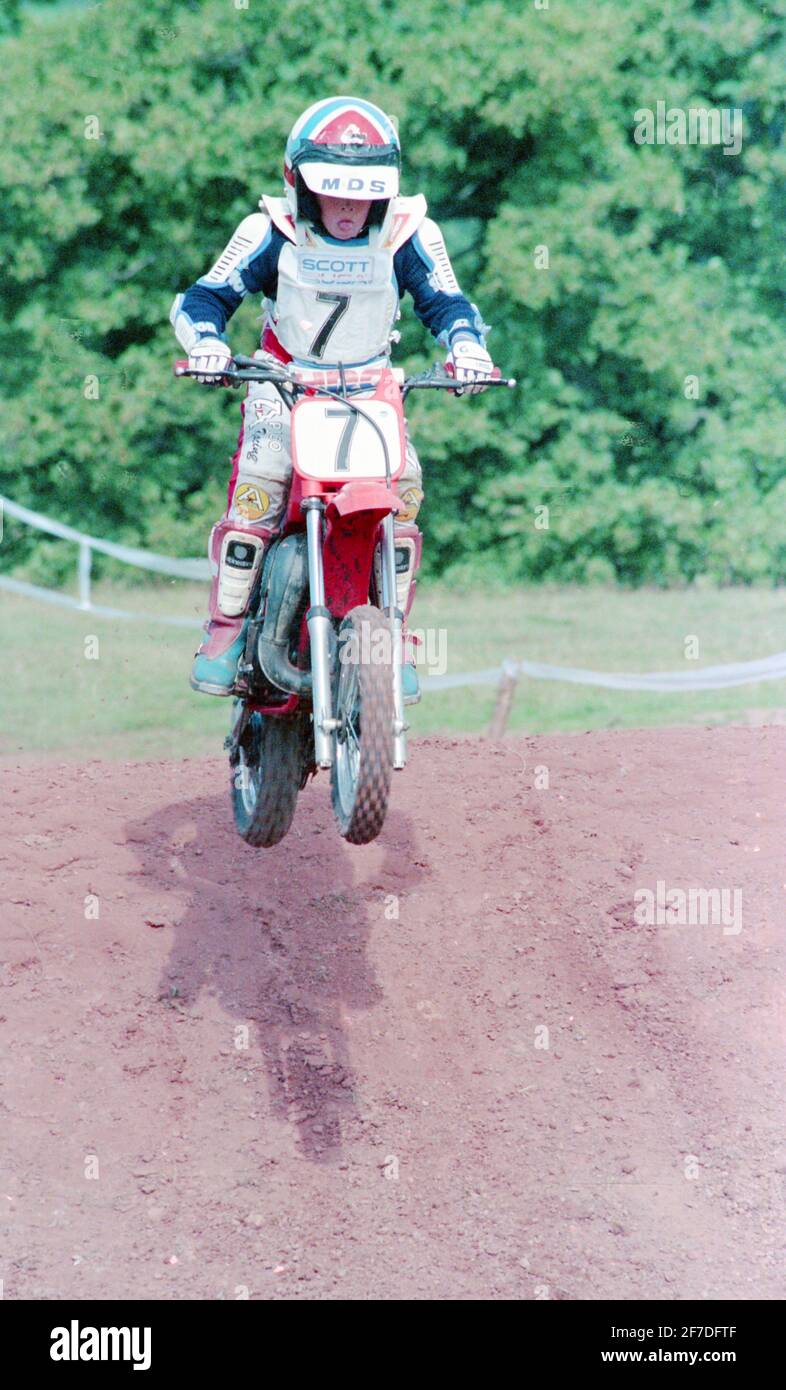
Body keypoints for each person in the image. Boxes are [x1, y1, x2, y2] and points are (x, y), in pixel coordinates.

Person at [170, 96, 496, 697]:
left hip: (370, 386)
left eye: (363, 192)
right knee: (260, 484)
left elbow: (448, 303)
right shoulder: (269, 229)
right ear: (299, 183)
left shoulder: (409, 233)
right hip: (284, 379)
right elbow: (201, 300)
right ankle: (227, 629)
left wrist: (468, 350)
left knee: (404, 492)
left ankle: (388, 636)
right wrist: (209, 344)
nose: (348, 207)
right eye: (332, 191)